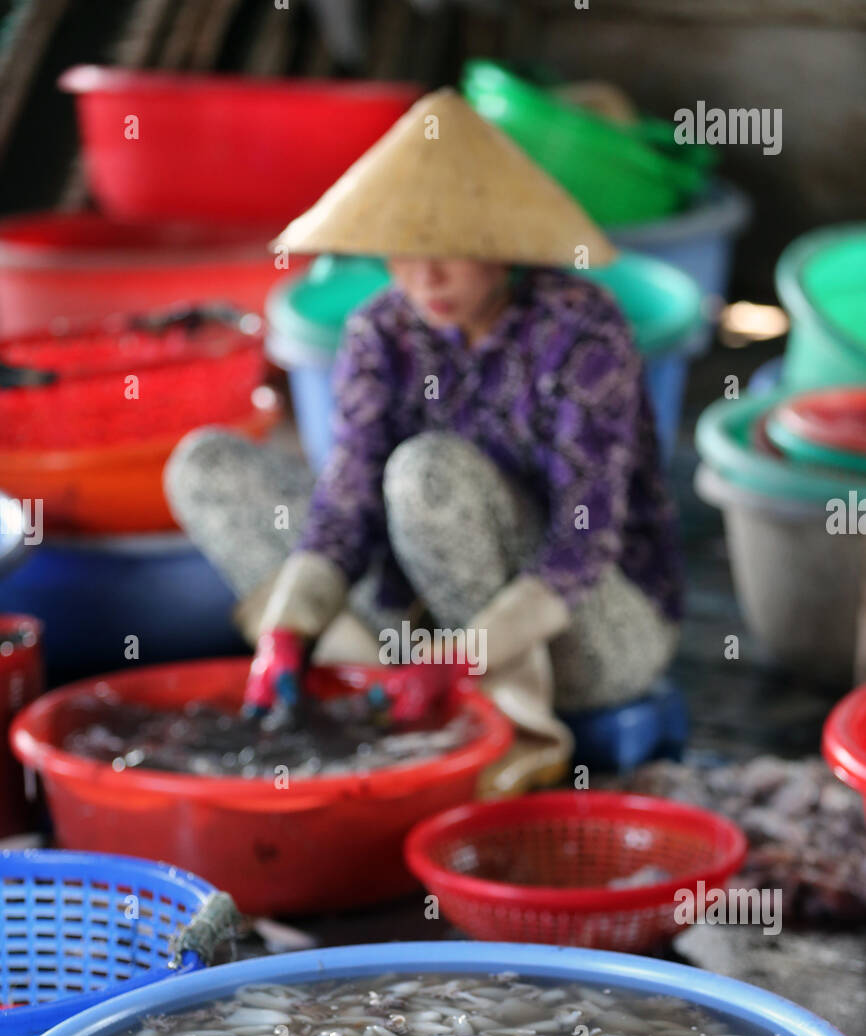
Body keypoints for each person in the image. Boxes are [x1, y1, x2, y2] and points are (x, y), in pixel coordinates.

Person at [166, 89, 682, 793]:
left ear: (503, 246)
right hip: (417, 616)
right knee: (205, 464)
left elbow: (581, 545)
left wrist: (465, 658)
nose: (425, 276)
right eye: (405, 252)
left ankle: (510, 723)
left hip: (587, 633)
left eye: (452, 251)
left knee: (426, 472)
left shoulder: (580, 331)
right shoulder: (380, 332)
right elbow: (344, 511)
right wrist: (288, 630)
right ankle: (360, 679)